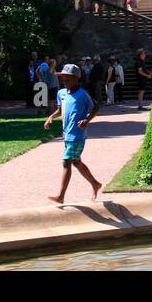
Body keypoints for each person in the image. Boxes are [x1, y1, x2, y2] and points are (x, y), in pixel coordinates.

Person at [43, 64, 102, 203]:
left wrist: (86, 120)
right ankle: (95, 184)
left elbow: (95, 107)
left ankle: (61, 196)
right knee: (76, 162)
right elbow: (60, 110)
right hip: (67, 135)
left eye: (68, 79)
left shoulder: (82, 94)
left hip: (78, 135)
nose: (65, 82)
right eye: (63, 79)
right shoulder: (61, 93)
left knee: (66, 161)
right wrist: (51, 117)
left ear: (76, 79)